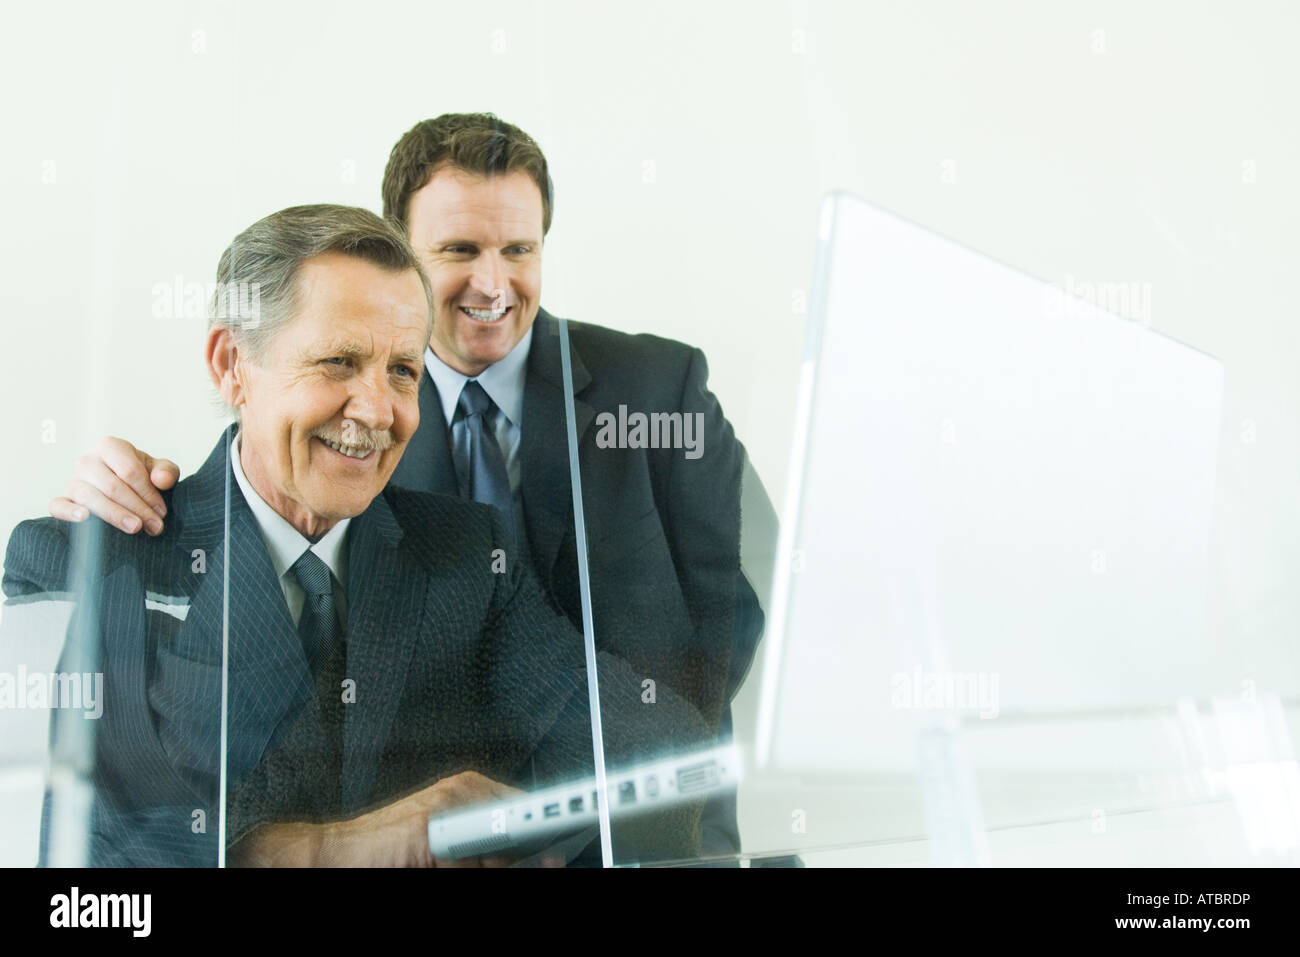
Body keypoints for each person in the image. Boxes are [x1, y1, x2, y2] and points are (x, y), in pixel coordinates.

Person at [47, 113, 766, 859]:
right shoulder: (111, 553)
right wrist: (317, 849)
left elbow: (657, 727)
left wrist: (516, 829)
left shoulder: (470, 554)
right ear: (232, 365)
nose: (378, 409)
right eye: (337, 362)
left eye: (401, 370)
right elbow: (86, 852)